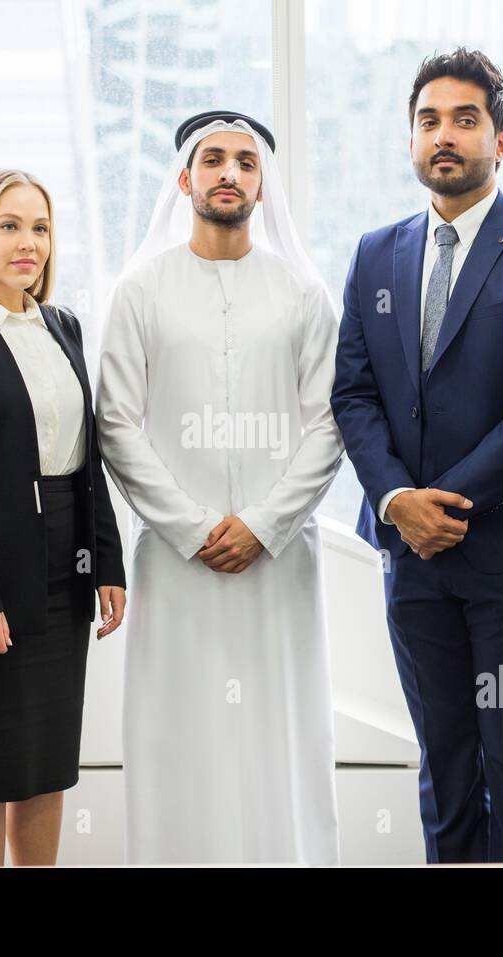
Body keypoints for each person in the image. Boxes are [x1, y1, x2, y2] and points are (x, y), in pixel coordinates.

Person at [331, 50, 503, 863]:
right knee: (442, 762)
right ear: (411, 137)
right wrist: (396, 501)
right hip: (412, 560)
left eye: (465, 119)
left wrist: (439, 502)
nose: (445, 135)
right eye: (429, 120)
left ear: (501, 141)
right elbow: (355, 394)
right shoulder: (378, 252)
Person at [96, 110, 344, 864]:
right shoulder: (140, 289)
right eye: (213, 160)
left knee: (281, 738)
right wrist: (195, 526)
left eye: (245, 161)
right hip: (177, 567)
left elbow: (329, 424)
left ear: (263, 185)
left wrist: (264, 523)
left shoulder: (303, 293)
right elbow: (116, 422)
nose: (229, 173)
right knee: (182, 739)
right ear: (185, 179)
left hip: (279, 565)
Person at [0, 170, 126, 866]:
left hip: (63, 570)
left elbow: (87, 455)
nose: (28, 243)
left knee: (45, 761)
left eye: (39, 227)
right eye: (9, 225)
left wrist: (107, 561)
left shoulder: (62, 324)